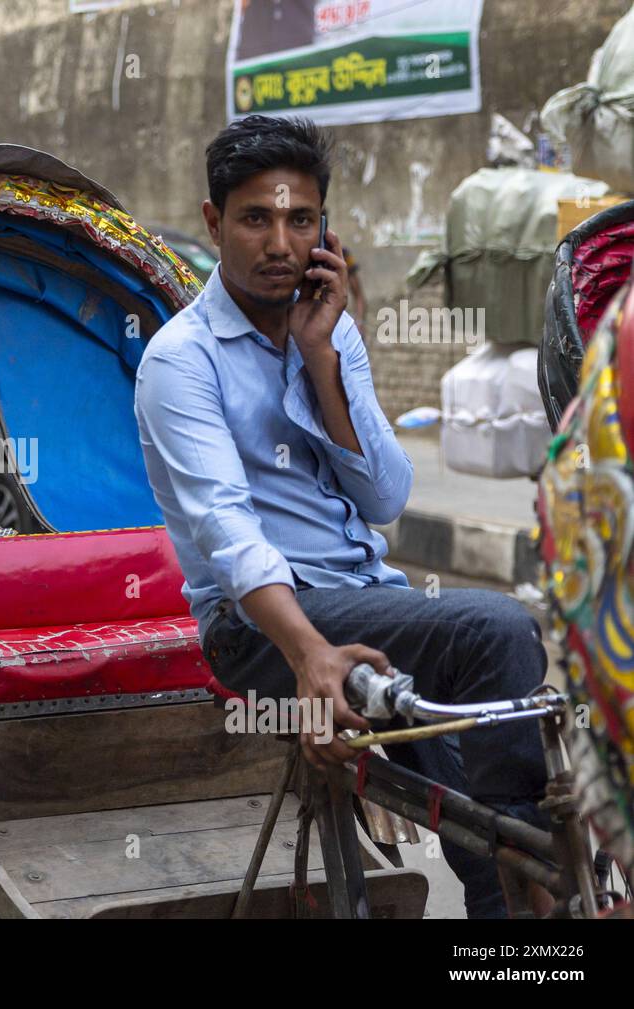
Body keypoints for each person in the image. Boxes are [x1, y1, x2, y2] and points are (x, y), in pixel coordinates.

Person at [133, 115, 550, 918]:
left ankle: (522, 916)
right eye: (257, 218)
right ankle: (533, 879)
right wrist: (310, 654)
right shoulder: (181, 360)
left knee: (481, 821)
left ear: (322, 226)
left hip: (369, 597)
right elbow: (226, 529)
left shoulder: (331, 330)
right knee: (498, 630)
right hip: (261, 626)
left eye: (301, 220)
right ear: (216, 222)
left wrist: (323, 363)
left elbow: (388, 497)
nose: (281, 242)